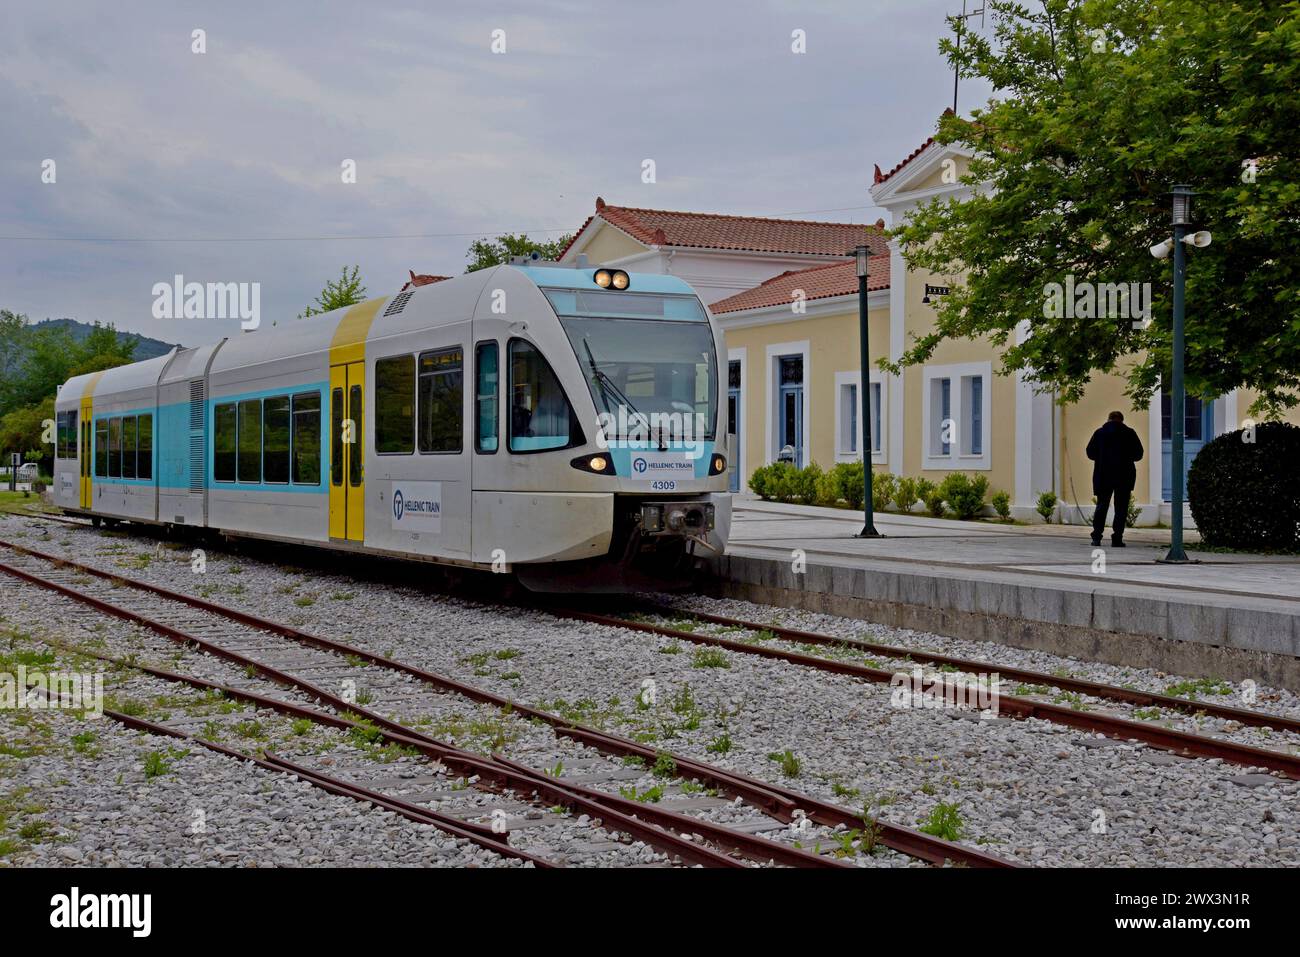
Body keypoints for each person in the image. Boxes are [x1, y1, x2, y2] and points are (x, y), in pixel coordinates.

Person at [1086, 410, 1144, 547]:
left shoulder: (1099, 433)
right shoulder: (1130, 433)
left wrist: (1101, 458)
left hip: (1103, 475)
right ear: (1122, 420)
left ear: (1108, 419)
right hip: (1124, 476)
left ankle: (1096, 537)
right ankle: (1117, 538)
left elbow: (1090, 452)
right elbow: (1138, 454)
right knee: (1121, 508)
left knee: (1101, 506)